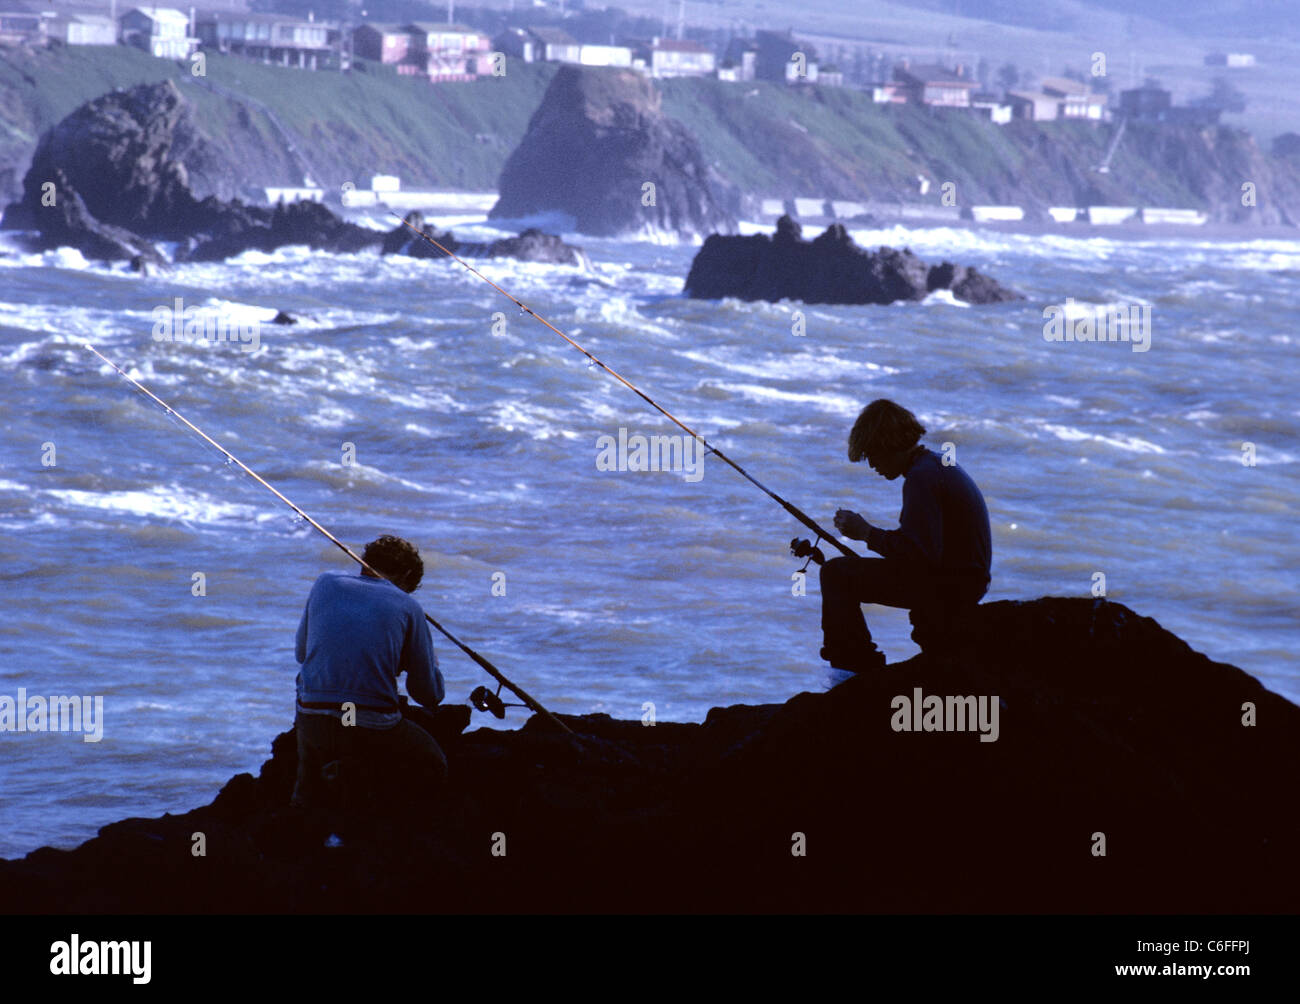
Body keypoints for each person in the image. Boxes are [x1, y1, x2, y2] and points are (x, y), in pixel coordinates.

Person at [819, 400, 992, 673]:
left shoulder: (922, 479)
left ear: (887, 446)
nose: (872, 464)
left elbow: (918, 554)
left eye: (872, 454)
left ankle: (853, 668)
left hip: (951, 587)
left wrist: (866, 533)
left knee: (836, 574)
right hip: (964, 580)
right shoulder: (934, 466)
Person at [291, 535, 450, 810]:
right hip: (369, 726)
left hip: (312, 717)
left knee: (310, 780)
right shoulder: (408, 607)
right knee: (434, 763)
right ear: (406, 576)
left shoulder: (325, 583)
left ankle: (307, 801)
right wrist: (431, 662)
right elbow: (427, 694)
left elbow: (302, 654)